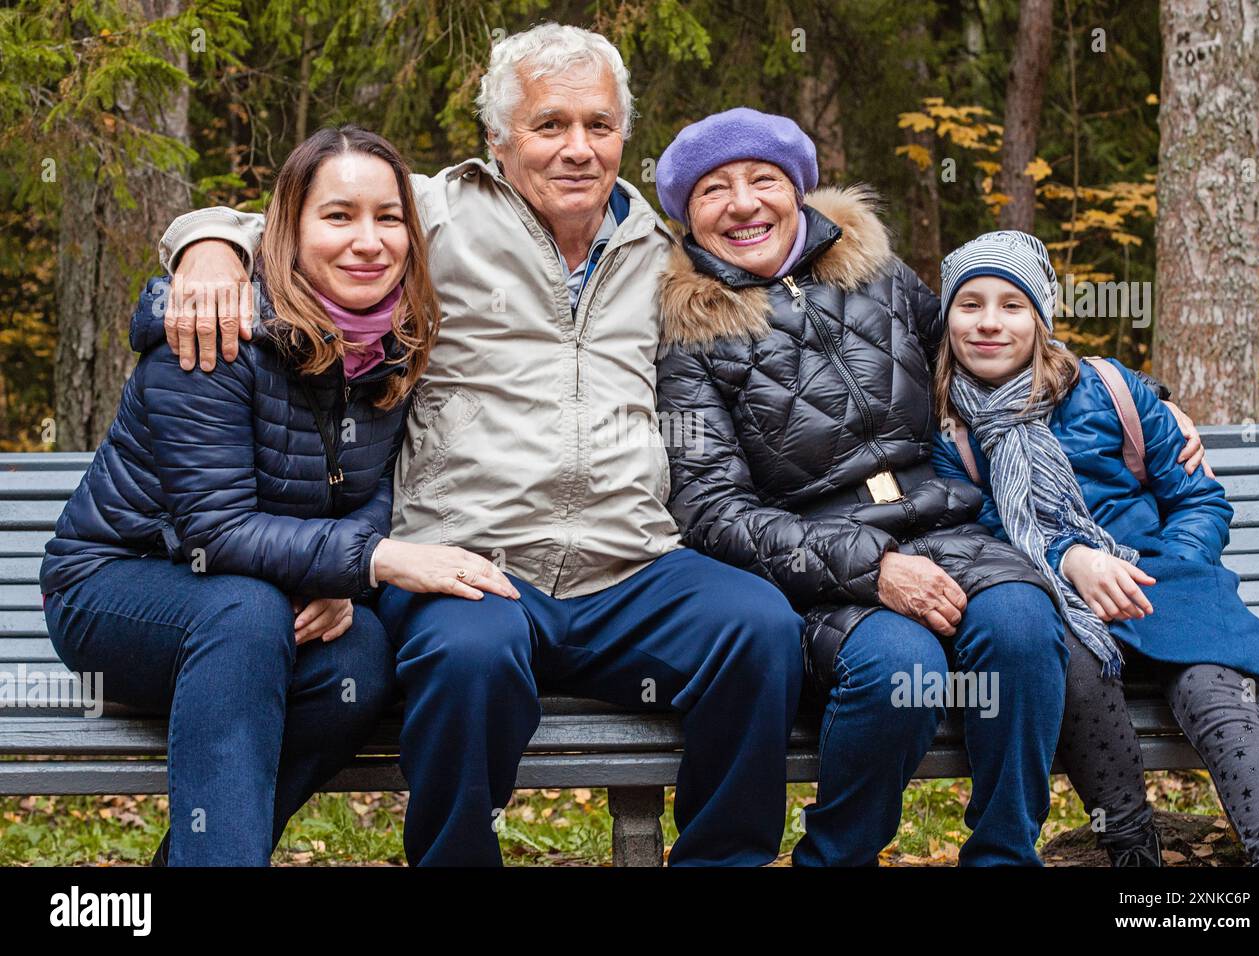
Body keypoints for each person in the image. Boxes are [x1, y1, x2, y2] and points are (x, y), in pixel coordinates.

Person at [147, 24, 803, 867]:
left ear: (624, 138)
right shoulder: (433, 213)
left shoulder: (666, 249)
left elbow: (788, 241)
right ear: (498, 140)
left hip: (632, 563)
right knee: (471, 658)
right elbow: (290, 225)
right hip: (466, 560)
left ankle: (721, 861)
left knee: (760, 628)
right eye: (549, 125)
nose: (578, 149)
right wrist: (205, 247)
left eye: (599, 126)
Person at [653, 107, 1209, 866]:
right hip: (816, 568)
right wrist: (873, 569)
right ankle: (839, 855)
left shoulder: (872, 273)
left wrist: (1143, 397)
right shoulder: (691, 339)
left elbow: (991, 348)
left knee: (1020, 621)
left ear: (799, 191)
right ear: (689, 216)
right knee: (900, 668)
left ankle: (1005, 853)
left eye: (764, 180)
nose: (744, 203)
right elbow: (714, 514)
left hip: (947, 527)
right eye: (714, 190)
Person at [38, 125, 453, 865]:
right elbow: (214, 533)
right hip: (115, 586)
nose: (368, 241)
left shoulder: (390, 345)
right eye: (338, 216)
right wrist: (373, 563)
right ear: (286, 230)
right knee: (246, 613)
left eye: (388, 218)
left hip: (257, 597)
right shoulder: (211, 333)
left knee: (359, 657)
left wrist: (342, 581)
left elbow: (371, 494)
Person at [929, 229, 1259, 866]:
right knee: (1071, 672)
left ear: (1041, 318)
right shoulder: (950, 434)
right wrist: (1070, 564)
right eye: (971, 304)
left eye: (1012, 305)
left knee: (1211, 694)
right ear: (947, 318)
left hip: (1163, 586)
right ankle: (1132, 851)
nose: (990, 323)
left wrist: (1167, 566)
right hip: (1060, 604)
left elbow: (1199, 498)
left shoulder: (1109, 391)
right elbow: (976, 537)